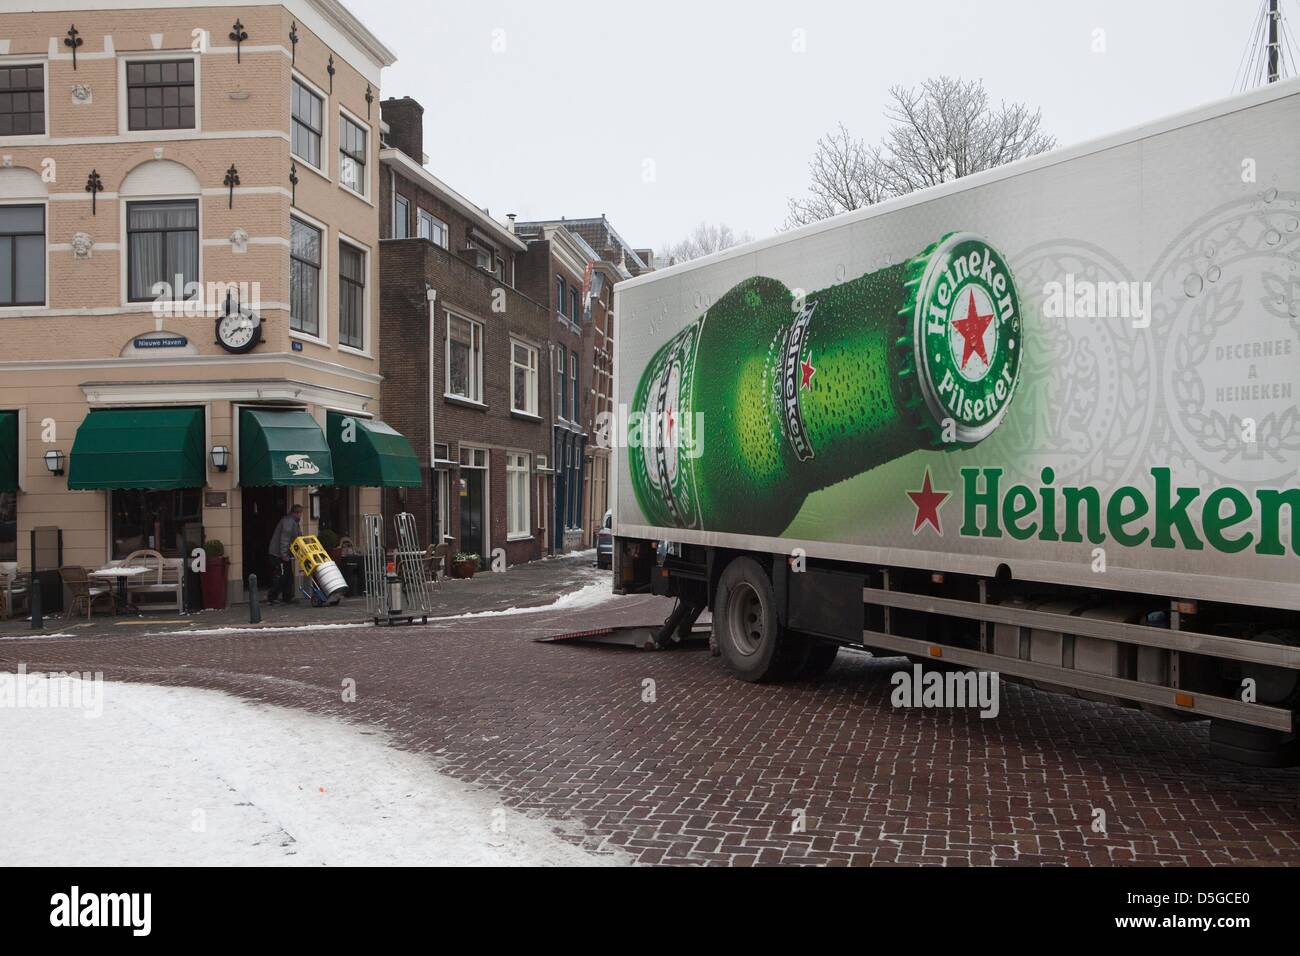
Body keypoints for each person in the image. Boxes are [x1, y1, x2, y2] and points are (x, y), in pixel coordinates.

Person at [267, 503, 303, 605]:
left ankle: (287, 597)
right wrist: (284, 555)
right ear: (296, 513)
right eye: (300, 513)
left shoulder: (294, 522)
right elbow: (285, 539)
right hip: (278, 554)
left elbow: (298, 537)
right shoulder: (288, 522)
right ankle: (272, 597)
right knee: (281, 575)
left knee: (288, 575)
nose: (301, 515)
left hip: (284, 554)